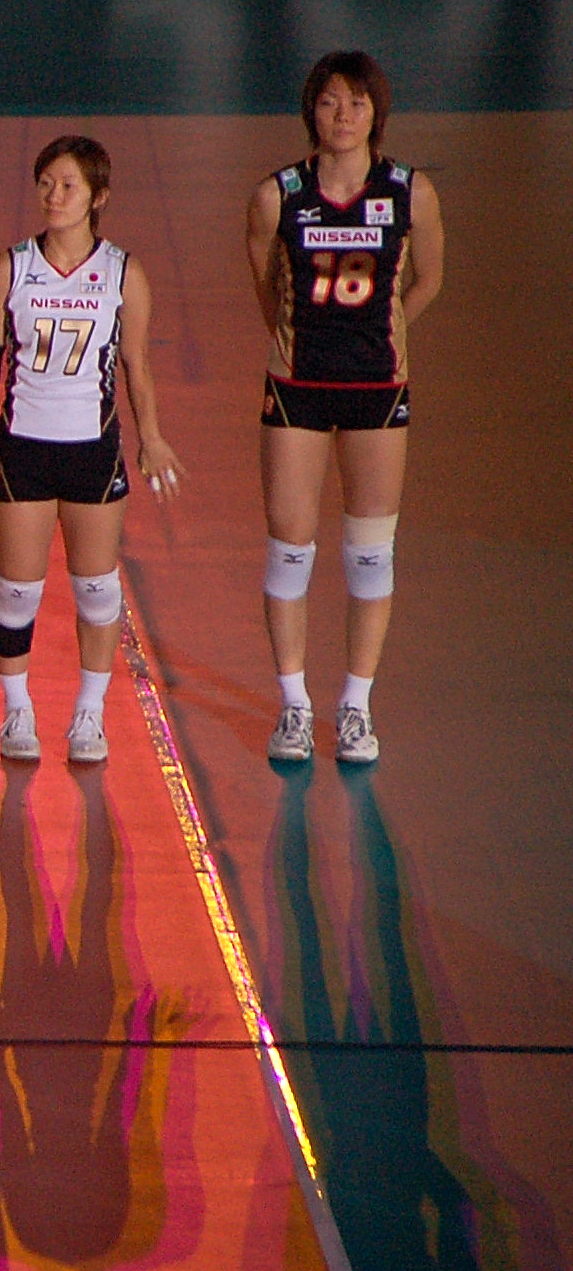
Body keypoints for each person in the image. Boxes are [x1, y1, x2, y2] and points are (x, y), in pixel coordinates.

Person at [246, 51, 444, 766]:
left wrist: (386, 334)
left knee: (369, 552)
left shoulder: (409, 191)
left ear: (376, 114)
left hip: (376, 388)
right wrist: (305, 338)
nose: (343, 115)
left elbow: (429, 277)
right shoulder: (278, 195)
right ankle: (294, 705)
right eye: (330, 102)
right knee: (289, 542)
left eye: (357, 103)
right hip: (298, 384)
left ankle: (356, 704)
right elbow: (266, 282)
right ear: (311, 110)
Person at [0, 137, 184, 763]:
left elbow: (135, 365)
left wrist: (152, 438)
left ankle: (90, 713)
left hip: (93, 449)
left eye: (68, 186)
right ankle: (17, 711)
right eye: (46, 184)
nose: (54, 197)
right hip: (23, 448)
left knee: (96, 590)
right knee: (17, 590)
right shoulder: (12, 267)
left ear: (98, 197)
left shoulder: (121, 272)